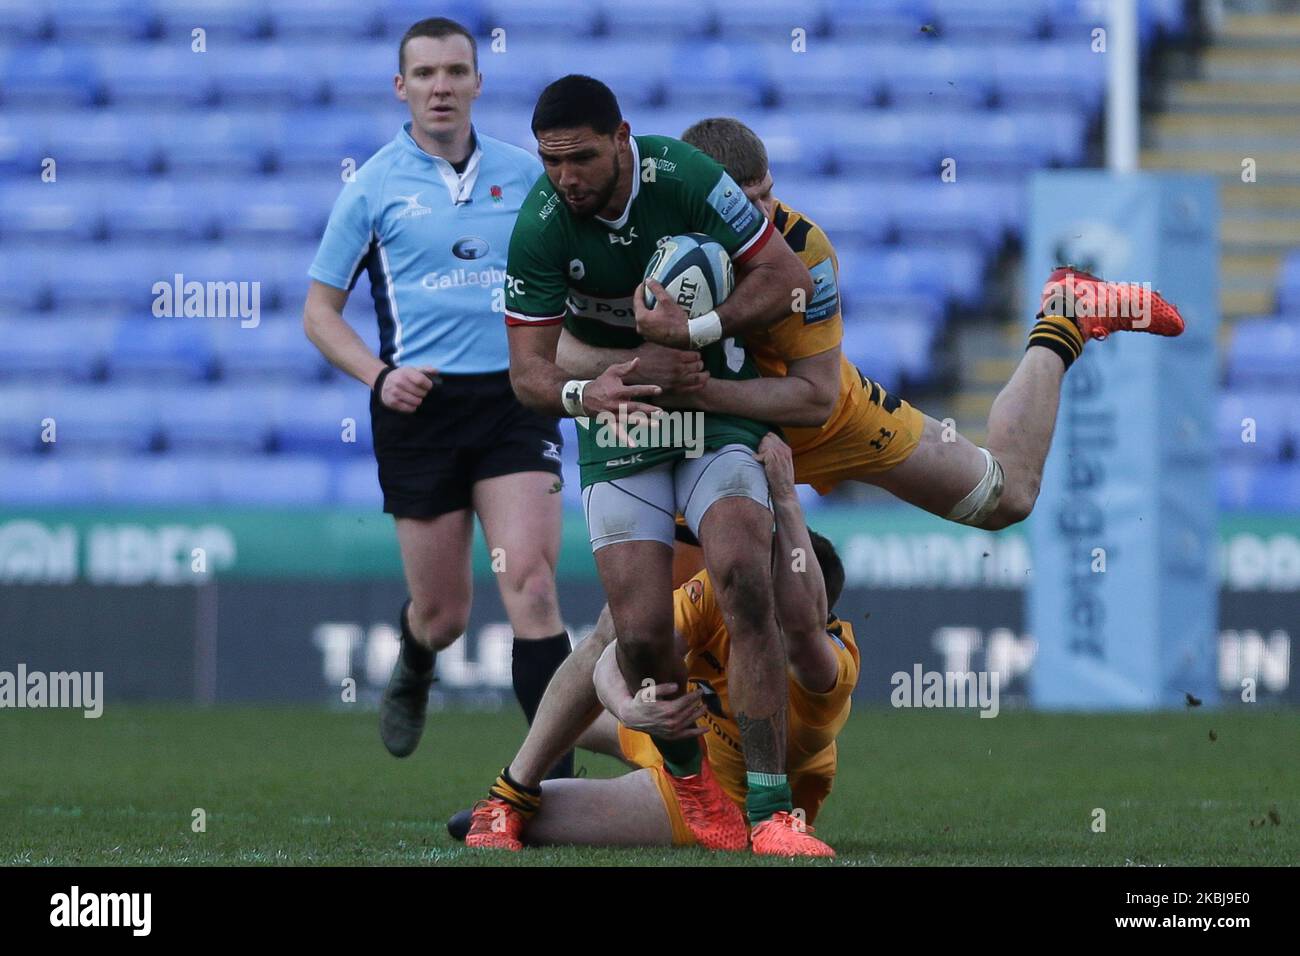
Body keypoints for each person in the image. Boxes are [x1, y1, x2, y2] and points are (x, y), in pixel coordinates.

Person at [558, 116, 1187, 554]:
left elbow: (816, 398)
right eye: (746, 205)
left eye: (770, 195)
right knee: (638, 628)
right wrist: (633, 370)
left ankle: (1063, 318)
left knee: (1006, 496)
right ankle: (551, 750)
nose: (768, 216)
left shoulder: (805, 251)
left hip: (819, 417)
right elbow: (558, 349)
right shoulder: (642, 243)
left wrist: (691, 389)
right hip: (710, 438)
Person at [500, 75, 834, 855]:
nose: (565, 178)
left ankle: (772, 809)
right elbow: (526, 375)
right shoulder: (541, 225)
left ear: (621, 138)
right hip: (622, 413)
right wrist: (592, 390)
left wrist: (699, 330)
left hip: (711, 398)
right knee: (644, 633)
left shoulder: (685, 179)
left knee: (743, 577)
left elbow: (784, 278)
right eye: (551, 163)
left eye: (579, 158)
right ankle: (688, 778)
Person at [302, 17, 574, 774]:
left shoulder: (525, 176)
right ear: (402, 87)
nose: (442, 86)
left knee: (532, 584)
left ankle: (552, 789)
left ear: (478, 82)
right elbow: (319, 314)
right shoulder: (372, 188)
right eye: (425, 74)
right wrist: (380, 377)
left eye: (456, 71)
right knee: (446, 614)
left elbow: (570, 277)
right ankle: (417, 656)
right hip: (419, 413)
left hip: (518, 399)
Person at [464, 434, 855, 853]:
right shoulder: (720, 590)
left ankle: (724, 802)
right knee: (619, 632)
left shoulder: (828, 666)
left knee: (471, 824)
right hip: (670, 727)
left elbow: (801, 626)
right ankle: (512, 792)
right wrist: (627, 708)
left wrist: (786, 498)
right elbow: (619, 651)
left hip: (729, 793)